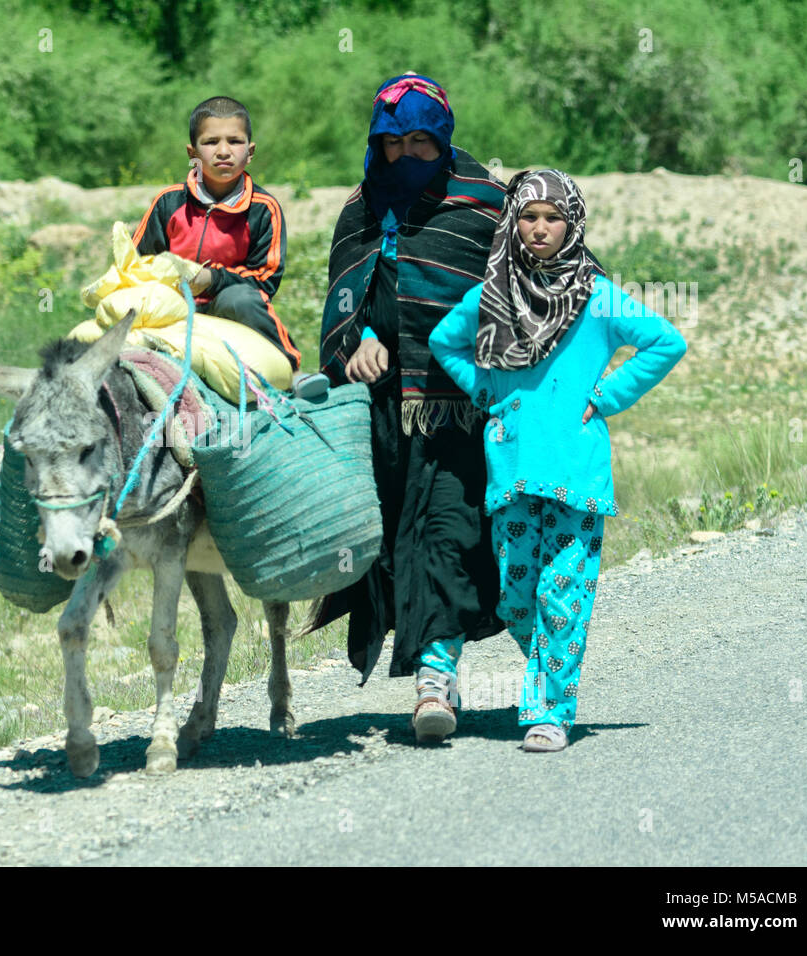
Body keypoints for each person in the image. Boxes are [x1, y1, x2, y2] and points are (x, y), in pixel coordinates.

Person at [429, 168, 686, 751]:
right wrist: (485, 392)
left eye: (553, 218)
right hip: (513, 470)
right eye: (528, 217)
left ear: (573, 224)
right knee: (516, 600)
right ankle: (551, 674)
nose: (540, 229)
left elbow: (665, 341)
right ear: (511, 223)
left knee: (561, 594)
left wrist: (607, 396)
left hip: (577, 472)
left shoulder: (597, 296)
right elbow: (445, 341)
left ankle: (551, 712)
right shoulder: (491, 295)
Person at [306, 73, 506, 742]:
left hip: (459, 410)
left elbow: (546, 276)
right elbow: (342, 298)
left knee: (448, 531)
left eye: (423, 140)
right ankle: (433, 664)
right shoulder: (363, 208)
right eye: (395, 143)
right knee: (395, 539)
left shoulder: (485, 204)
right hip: (383, 413)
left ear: (443, 137)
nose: (409, 154)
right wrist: (356, 339)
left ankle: (435, 677)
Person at [132, 95, 327, 396]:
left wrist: (213, 279)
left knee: (242, 299)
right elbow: (137, 263)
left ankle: (294, 370)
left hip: (227, 308)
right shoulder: (168, 203)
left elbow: (265, 281)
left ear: (250, 152)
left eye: (235, 142)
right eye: (210, 142)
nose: (223, 151)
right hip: (172, 308)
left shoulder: (263, 209)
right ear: (192, 153)